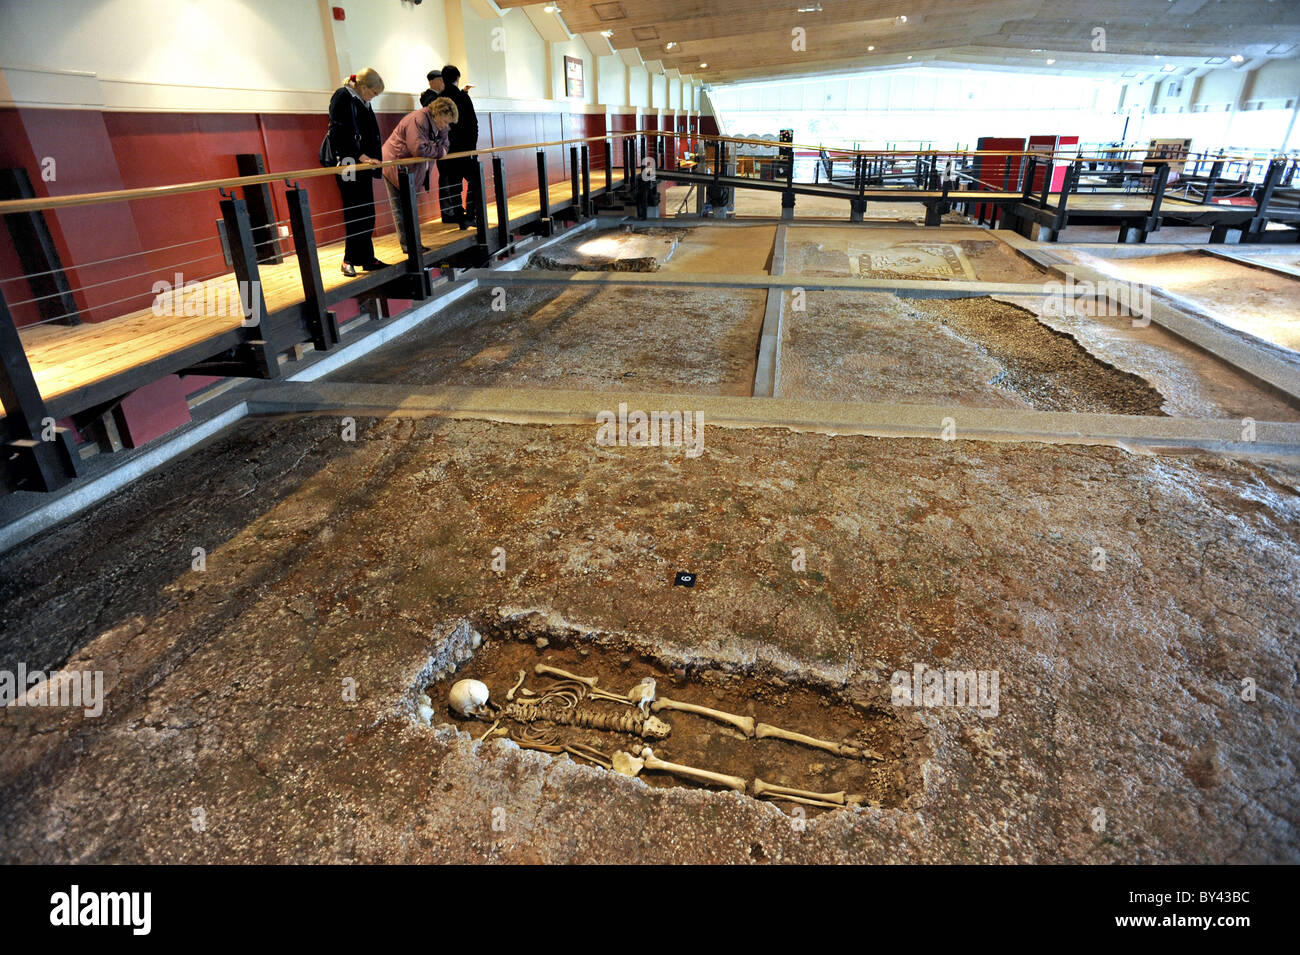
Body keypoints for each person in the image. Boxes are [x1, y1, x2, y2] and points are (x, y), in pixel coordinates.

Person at [327, 68, 386, 277]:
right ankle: (348, 259)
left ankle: (366, 258)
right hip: (349, 164)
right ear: (363, 87)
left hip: (361, 165)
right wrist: (359, 156)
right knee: (355, 213)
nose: (374, 97)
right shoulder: (343, 96)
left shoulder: (361, 100)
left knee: (367, 214)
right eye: (374, 93)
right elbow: (339, 132)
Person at [382, 92, 457, 255]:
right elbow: (419, 149)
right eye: (445, 122)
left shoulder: (439, 123)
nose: (446, 126)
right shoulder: (418, 119)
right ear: (437, 114)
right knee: (401, 208)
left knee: (410, 207)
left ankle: (414, 244)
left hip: (412, 169)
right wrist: (439, 151)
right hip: (395, 164)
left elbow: (446, 144)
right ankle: (409, 246)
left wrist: (440, 149)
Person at [435, 65, 481, 228]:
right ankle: (471, 214)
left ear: (443, 79)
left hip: (447, 151)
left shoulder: (439, 99)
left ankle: (456, 216)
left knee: (453, 185)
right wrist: (472, 147)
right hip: (466, 148)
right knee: (475, 181)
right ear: (457, 78)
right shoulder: (463, 97)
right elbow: (473, 123)